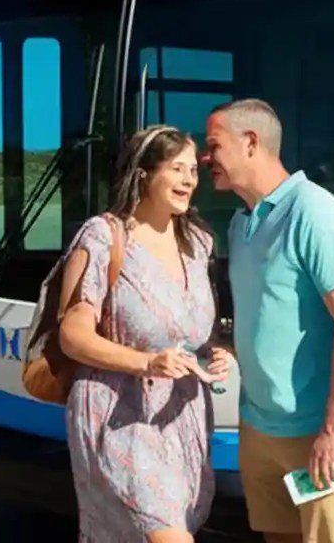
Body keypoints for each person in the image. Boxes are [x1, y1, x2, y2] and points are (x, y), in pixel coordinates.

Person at [203, 98, 334, 543]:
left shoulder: (315, 213)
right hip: (260, 430)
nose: (205, 159)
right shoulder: (241, 226)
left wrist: (333, 431)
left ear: (251, 143)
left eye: (213, 145)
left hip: (319, 433)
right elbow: (269, 317)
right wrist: (229, 347)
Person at [57, 123, 235, 543]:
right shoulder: (104, 236)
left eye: (193, 169)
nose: (190, 179)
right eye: (177, 168)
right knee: (165, 535)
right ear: (144, 174)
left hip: (182, 415)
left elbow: (189, 330)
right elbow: (72, 334)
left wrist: (216, 352)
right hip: (119, 415)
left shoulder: (198, 241)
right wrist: (146, 363)